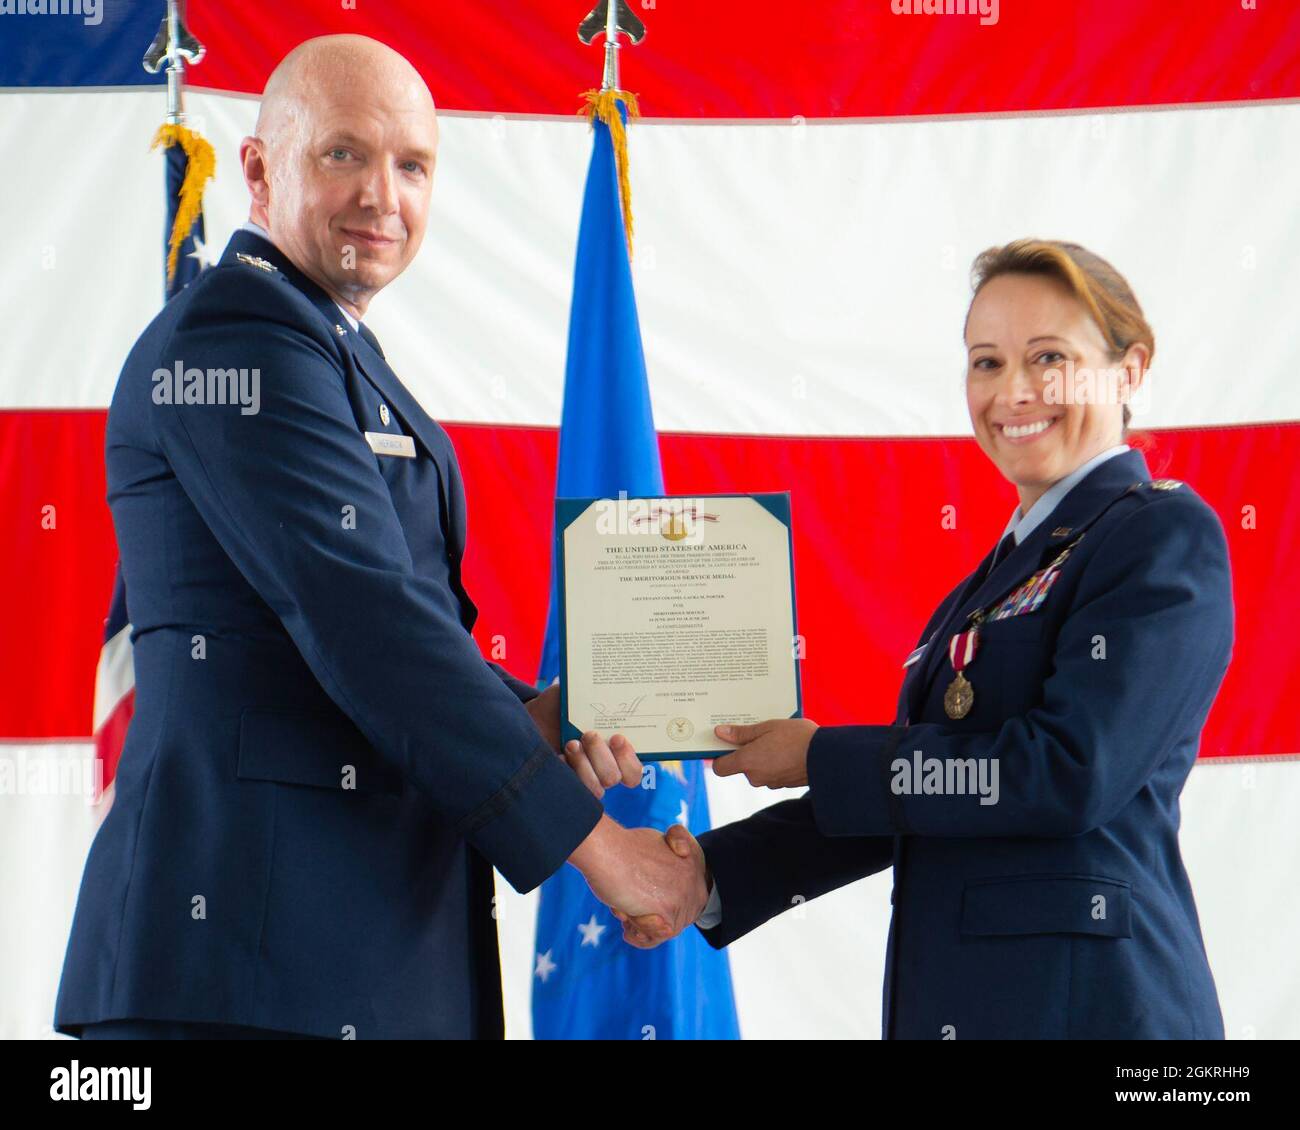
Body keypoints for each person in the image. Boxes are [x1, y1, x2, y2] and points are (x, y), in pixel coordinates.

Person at [53, 35, 691, 1041]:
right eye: (344, 153)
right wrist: (602, 850)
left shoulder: (324, 341)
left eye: (412, 165)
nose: (381, 195)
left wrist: (540, 719)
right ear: (259, 168)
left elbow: (380, 627)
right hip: (246, 976)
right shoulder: (236, 341)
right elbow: (363, 615)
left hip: (337, 959)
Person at [611, 239, 1235, 1040]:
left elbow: (1066, 774)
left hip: (1097, 1014)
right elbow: (930, 796)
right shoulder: (989, 582)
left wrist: (820, 756)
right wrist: (708, 875)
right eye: (986, 362)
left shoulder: (1161, 535)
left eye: (1050, 358)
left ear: (1131, 370)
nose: (1013, 391)